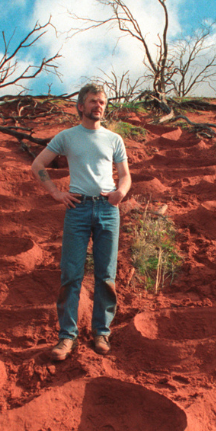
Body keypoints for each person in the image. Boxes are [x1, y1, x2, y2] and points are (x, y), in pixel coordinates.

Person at [30, 83, 131, 361]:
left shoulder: (114, 139)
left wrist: (121, 192)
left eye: (102, 102)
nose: (98, 106)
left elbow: (125, 175)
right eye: (93, 101)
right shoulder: (67, 136)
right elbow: (37, 165)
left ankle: (101, 332)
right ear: (80, 106)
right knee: (71, 274)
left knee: (106, 275)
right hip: (77, 209)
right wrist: (56, 193)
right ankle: (67, 337)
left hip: (108, 209)